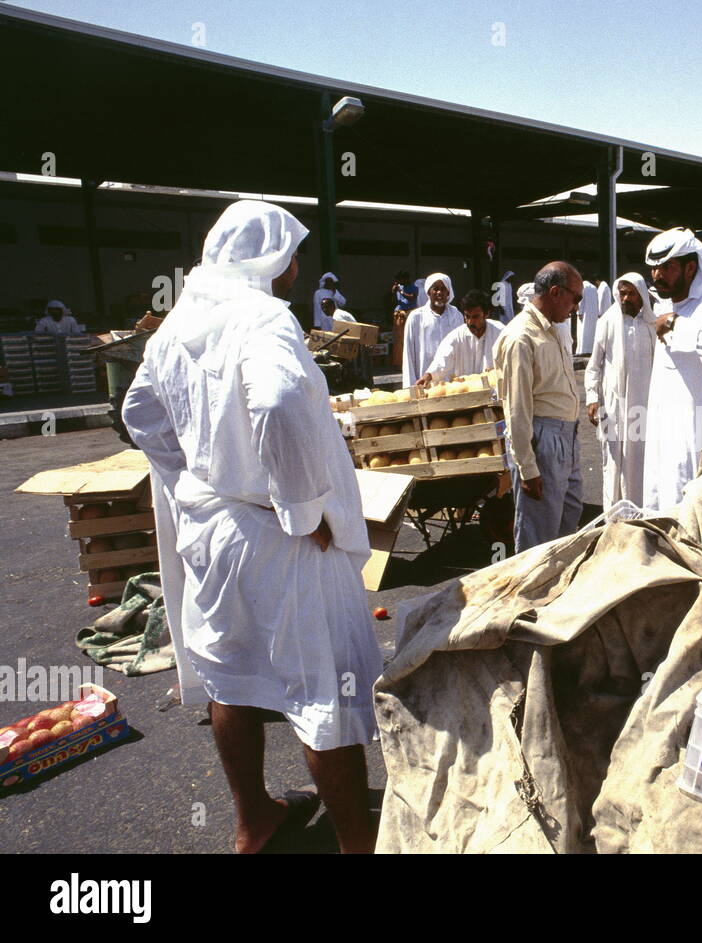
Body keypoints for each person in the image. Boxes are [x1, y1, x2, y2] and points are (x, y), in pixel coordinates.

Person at [121, 200, 380, 854]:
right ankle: (357, 841)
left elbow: (139, 411)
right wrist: (301, 508)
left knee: (231, 676)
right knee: (322, 690)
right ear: (268, 258)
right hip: (279, 539)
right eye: (290, 251)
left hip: (214, 533)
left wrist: (192, 480)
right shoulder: (264, 317)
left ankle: (252, 818)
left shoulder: (182, 322)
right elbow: (278, 399)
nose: (297, 265)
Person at [641, 228, 702, 510]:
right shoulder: (668, 306)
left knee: (686, 506)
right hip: (664, 429)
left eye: (667, 267)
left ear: (690, 267)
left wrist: (675, 325)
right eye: (654, 268)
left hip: (692, 436)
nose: (658, 275)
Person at [493, 262, 585, 552]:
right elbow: (517, 409)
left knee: (566, 526)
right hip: (543, 440)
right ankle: (533, 595)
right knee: (539, 536)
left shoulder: (554, 329)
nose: (576, 306)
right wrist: (527, 468)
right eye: (576, 298)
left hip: (566, 437)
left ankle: (558, 591)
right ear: (556, 292)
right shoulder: (521, 337)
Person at [584, 273, 656, 509]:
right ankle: (614, 515)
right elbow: (594, 365)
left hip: (646, 406)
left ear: (641, 295)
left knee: (643, 460)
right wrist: (593, 398)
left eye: (630, 293)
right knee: (613, 461)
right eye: (622, 293)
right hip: (613, 406)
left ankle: (642, 514)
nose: (625, 298)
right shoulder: (607, 321)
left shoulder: (651, 324)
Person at [416, 288, 504, 386]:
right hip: (466, 391)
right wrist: (428, 376)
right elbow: (442, 360)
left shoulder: (499, 331)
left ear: (486, 314)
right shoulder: (456, 336)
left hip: (495, 390)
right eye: (467, 316)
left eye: (475, 317)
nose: (470, 322)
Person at [401, 273, 464, 387]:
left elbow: (461, 349)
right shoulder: (416, 317)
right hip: (423, 380)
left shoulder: (456, 315)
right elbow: (408, 353)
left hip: (451, 383)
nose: (439, 293)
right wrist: (410, 386)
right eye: (435, 289)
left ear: (448, 292)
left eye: (443, 289)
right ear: (428, 292)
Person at [577, 280, 601, 356]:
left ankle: (583, 350)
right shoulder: (594, 288)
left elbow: (581, 300)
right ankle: (590, 349)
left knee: (583, 332)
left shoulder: (583, 286)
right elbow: (597, 301)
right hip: (593, 314)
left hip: (585, 313)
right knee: (591, 332)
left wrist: (579, 312)